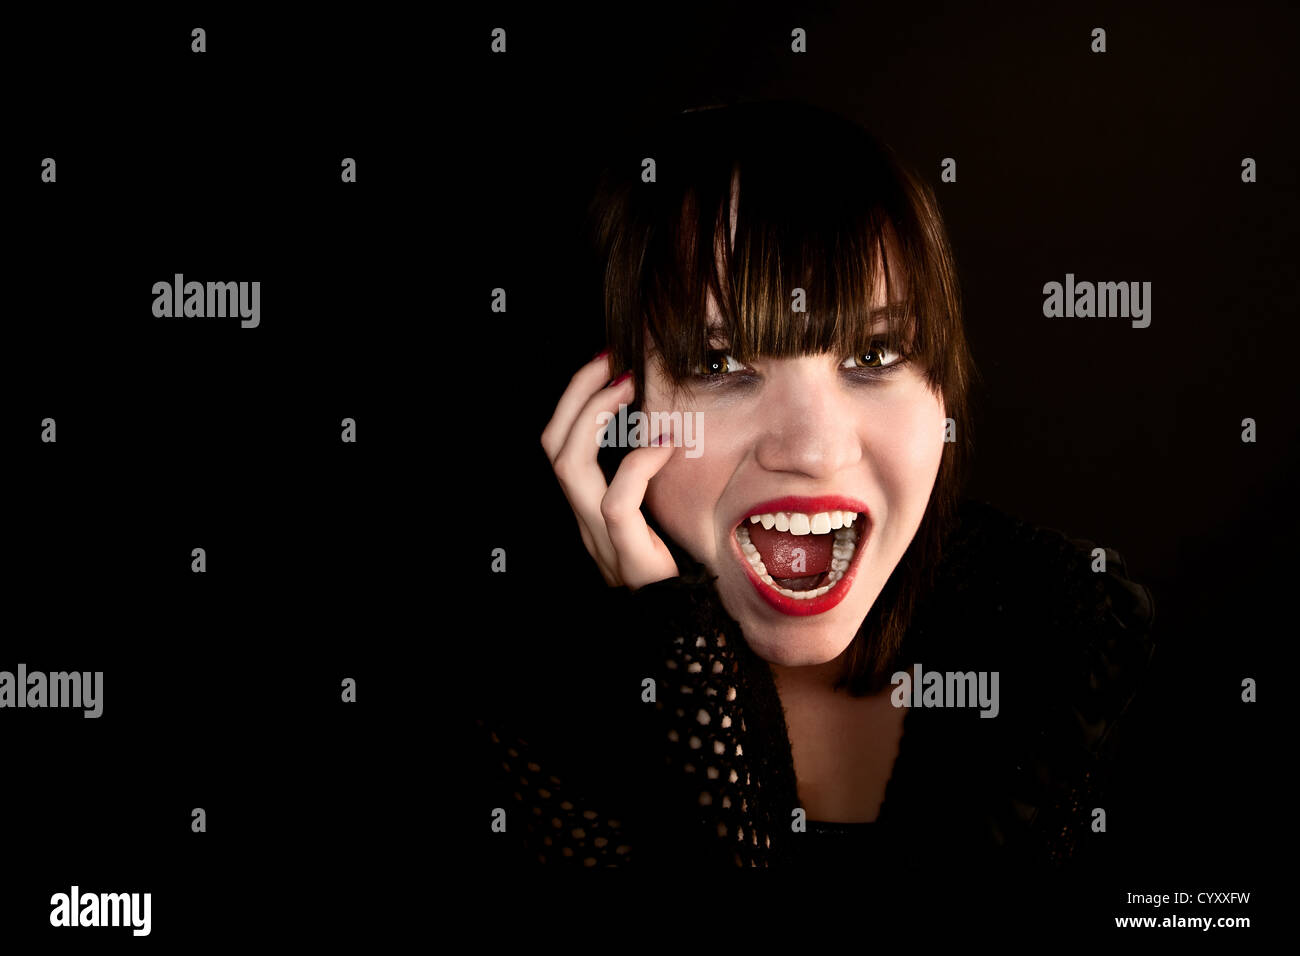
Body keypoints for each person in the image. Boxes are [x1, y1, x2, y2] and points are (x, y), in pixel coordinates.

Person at [474, 99, 1157, 870]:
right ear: (607, 411)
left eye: (873, 355)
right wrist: (676, 670)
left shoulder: (1072, 637)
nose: (815, 450)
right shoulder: (537, 701)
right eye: (718, 364)